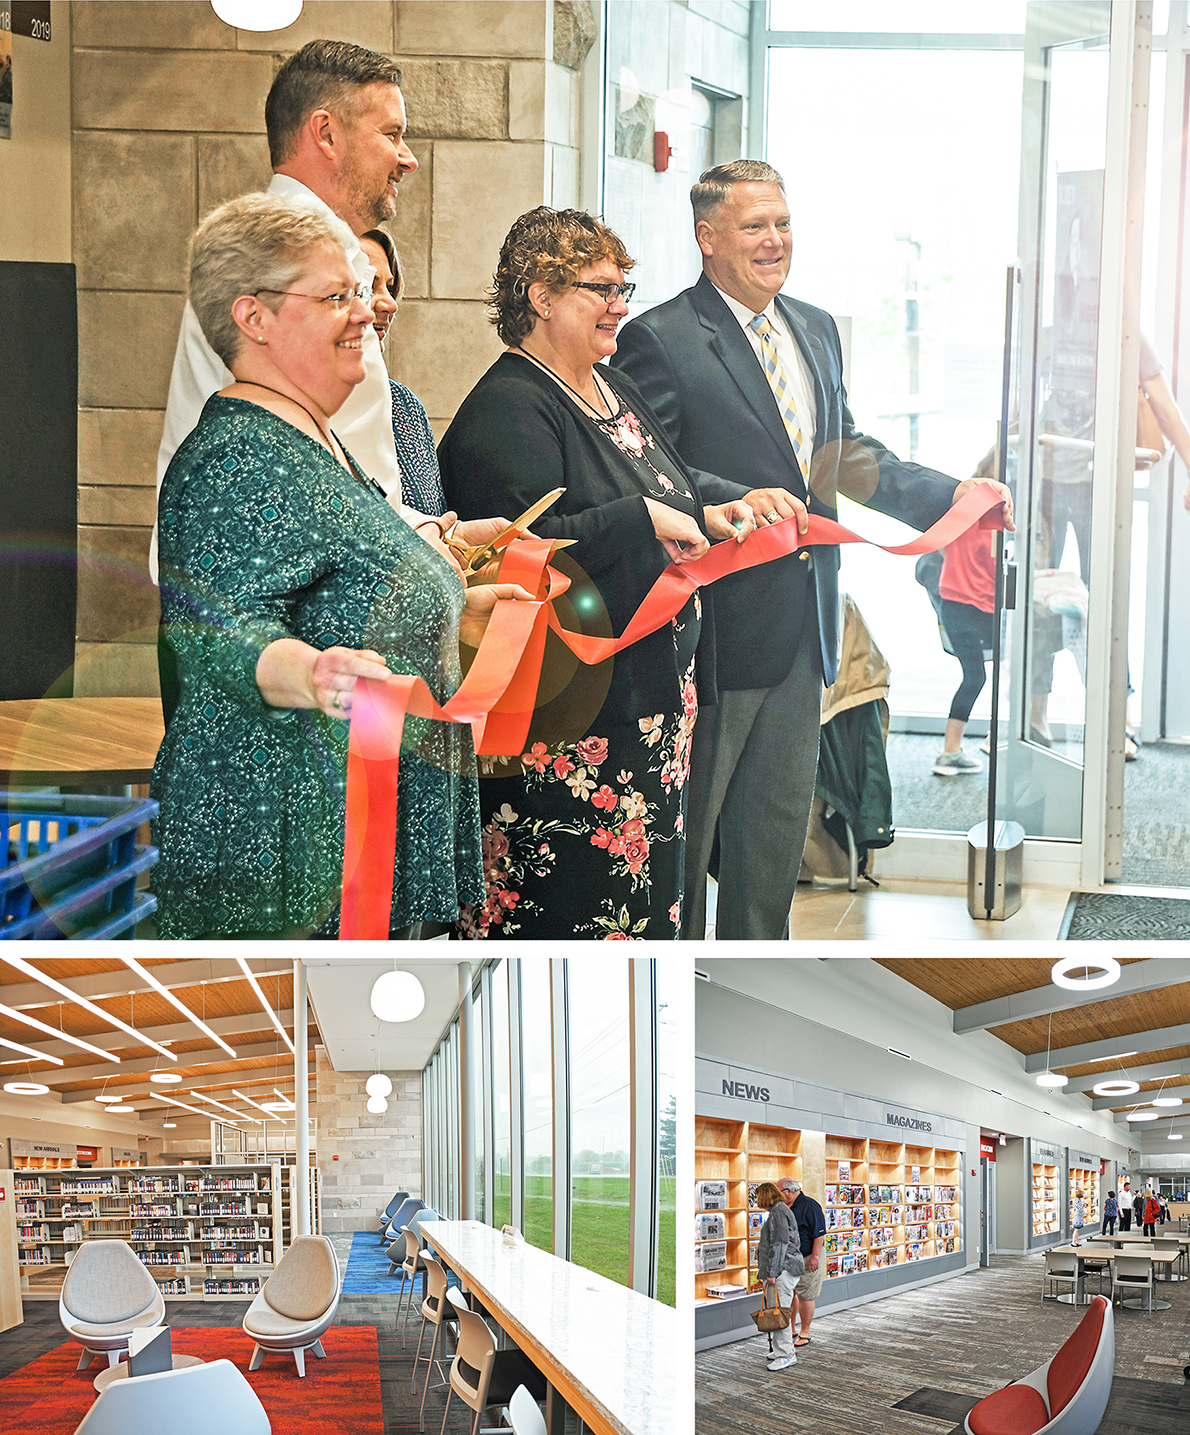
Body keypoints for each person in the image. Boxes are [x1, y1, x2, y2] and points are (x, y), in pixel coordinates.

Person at [612, 160, 1013, 939]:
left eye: (784, 223)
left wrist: (952, 499)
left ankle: (754, 978)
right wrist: (737, 498)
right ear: (706, 236)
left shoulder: (817, 325)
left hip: (807, 633)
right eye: (755, 225)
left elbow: (842, 457)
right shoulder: (658, 338)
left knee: (770, 857)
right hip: (713, 637)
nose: (775, 241)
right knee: (686, 857)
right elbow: (644, 466)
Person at [151, 194, 529, 939]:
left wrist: (454, 596)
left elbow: (346, 583)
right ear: (253, 317)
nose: (365, 313)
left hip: (367, 822)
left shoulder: (315, 435)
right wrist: (308, 671)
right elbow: (215, 630)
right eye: (336, 296)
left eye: (361, 291)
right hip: (297, 844)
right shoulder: (234, 456)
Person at [153, 39, 504, 713]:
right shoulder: (286, 252)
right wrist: (425, 548)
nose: (409, 156)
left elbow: (343, 474)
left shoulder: (305, 246)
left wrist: (436, 541)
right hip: (293, 653)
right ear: (326, 132)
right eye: (392, 134)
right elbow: (301, 494)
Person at [439, 206, 755, 940]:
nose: (620, 304)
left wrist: (716, 507)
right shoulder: (508, 408)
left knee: (648, 919)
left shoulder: (611, 386)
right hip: (574, 733)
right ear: (540, 297)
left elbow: (665, 483)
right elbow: (526, 558)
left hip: (649, 712)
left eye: (625, 286)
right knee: (576, 919)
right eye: (601, 288)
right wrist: (642, 518)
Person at [358, 227, 447, 517]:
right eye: (368, 287)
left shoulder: (405, 406)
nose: (390, 303)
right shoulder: (294, 411)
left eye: (388, 287)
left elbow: (435, 518)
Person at [754, 1182, 804, 1373]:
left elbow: (780, 1243)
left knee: (779, 1312)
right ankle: (780, 1350)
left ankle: (786, 1355)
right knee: (776, 1310)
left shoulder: (779, 1212)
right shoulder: (778, 1210)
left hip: (782, 1270)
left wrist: (772, 1272)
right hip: (782, 1270)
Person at [778, 1178, 826, 1346]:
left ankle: (805, 1331)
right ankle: (790, 1329)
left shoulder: (809, 1205)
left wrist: (815, 1256)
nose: (778, 1196)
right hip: (789, 1258)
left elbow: (819, 1235)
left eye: (779, 1192)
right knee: (790, 1293)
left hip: (807, 1257)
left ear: (789, 1191)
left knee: (806, 1294)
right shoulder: (783, 1207)